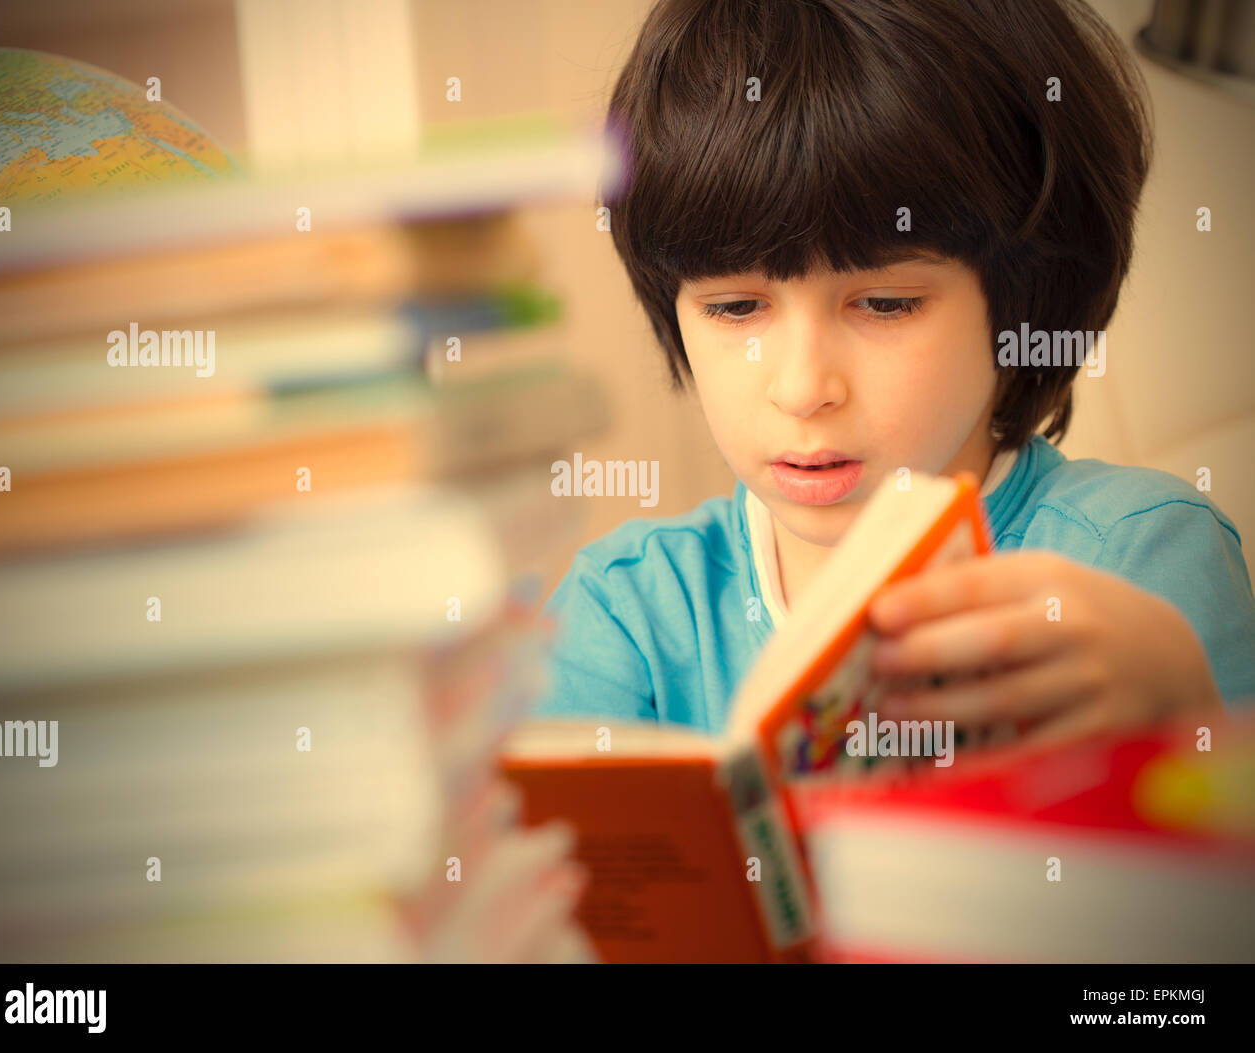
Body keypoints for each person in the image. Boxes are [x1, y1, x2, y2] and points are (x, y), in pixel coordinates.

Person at [531, 0, 1255, 746]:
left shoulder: (1139, 558)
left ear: (1022, 300)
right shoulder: (627, 611)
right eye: (736, 308)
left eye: (883, 303)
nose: (804, 387)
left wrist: (1183, 705)